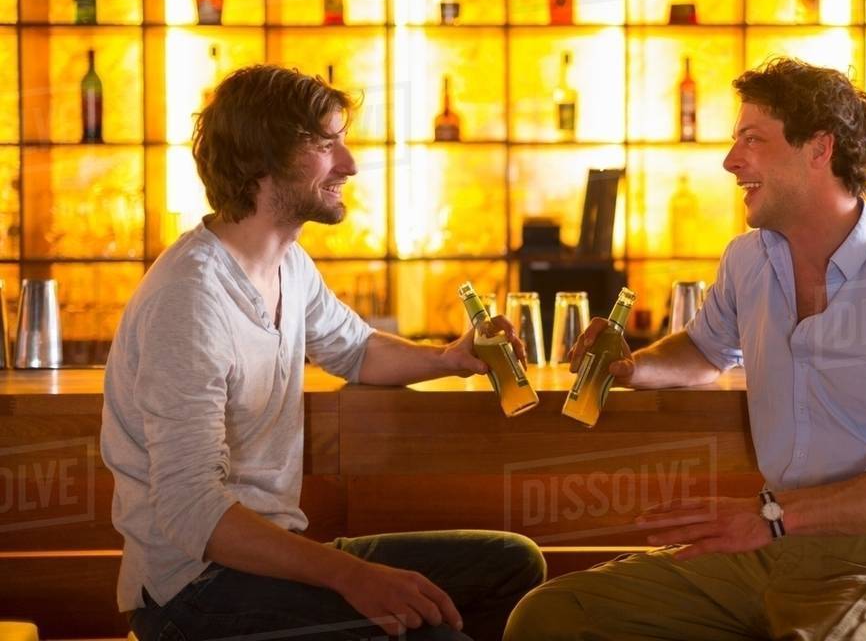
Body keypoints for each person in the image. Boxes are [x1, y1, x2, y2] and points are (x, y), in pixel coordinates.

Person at [504, 57, 866, 640]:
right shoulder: (746, 260)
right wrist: (633, 365)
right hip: (768, 548)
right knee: (550, 618)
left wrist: (772, 518)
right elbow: (706, 349)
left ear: (819, 149)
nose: (731, 161)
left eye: (752, 140)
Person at [101, 65, 545, 641]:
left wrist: (449, 358)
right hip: (193, 591)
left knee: (512, 563)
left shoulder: (286, 263)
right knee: (433, 634)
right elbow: (192, 513)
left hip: (263, 556)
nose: (350, 163)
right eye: (327, 144)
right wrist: (353, 576)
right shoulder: (190, 299)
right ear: (266, 157)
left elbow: (357, 349)